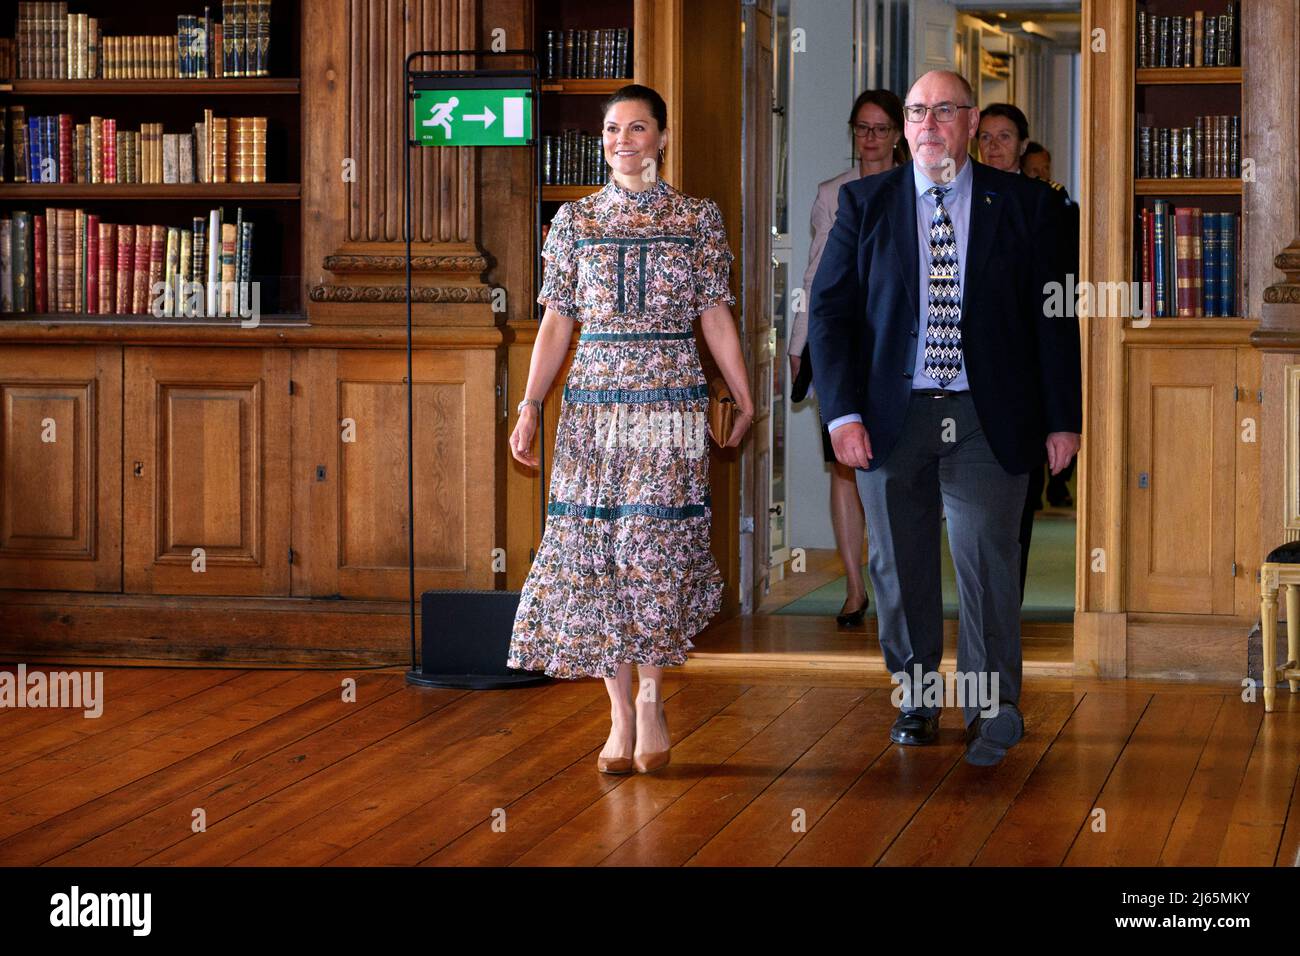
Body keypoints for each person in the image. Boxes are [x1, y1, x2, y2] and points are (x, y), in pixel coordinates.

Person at [808, 71, 1082, 766]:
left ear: (969, 123)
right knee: (898, 566)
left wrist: (1062, 418)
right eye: (917, 112)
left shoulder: (1024, 206)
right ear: (906, 126)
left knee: (989, 562)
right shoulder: (863, 205)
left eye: (945, 111)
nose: (930, 124)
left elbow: (1054, 318)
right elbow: (831, 317)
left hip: (988, 417)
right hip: (889, 416)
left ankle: (994, 711)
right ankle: (918, 698)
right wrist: (839, 413)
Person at [507, 84, 754, 776]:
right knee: (599, 556)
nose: (623, 139)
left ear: (662, 138)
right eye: (613, 129)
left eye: (638, 127)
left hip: (668, 407)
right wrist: (530, 403)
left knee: (652, 547)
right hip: (591, 409)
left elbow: (714, 312)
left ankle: (652, 697)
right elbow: (558, 321)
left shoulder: (697, 218)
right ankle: (618, 714)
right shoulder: (574, 222)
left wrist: (742, 393)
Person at [788, 90, 909, 628]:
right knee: (844, 466)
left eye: (881, 128)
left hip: (894, 348)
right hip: (837, 347)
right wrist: (798, 346)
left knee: (897, 467)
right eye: (862, 127)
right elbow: (813, 278)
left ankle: (897, 584)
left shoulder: (917, 188)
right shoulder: (830, 194)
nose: (871, 138)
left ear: (899, 134)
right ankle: (855, 588)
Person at [976, 103, 1080, 604]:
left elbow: (1057, 304)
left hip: (1023, 382)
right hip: (963, 382)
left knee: (1016, 502)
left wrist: (1060, 410)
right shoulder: (955, 198)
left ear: (1023, 146)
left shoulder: (1045, 204)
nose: (995, 146)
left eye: (1005, 137)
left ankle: (1005, 610)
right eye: (987, 137)